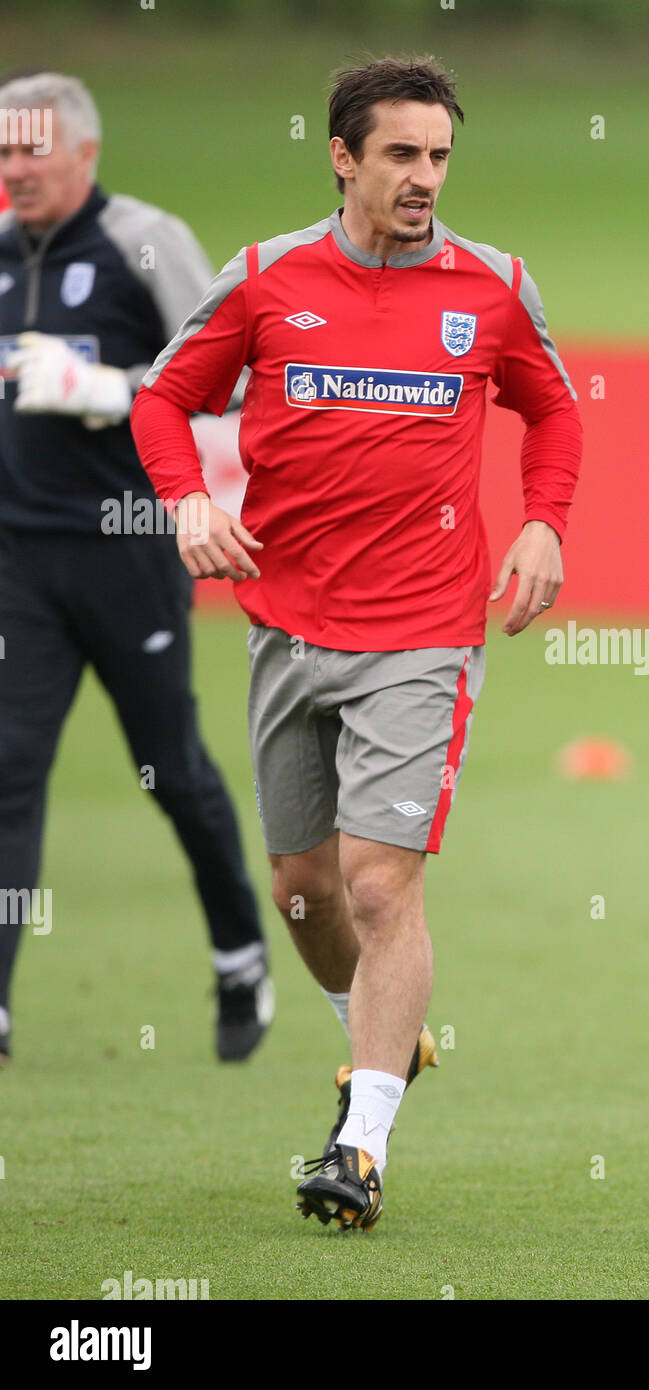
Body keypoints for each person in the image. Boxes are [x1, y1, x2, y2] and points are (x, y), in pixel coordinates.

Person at [130, 55, 583, 1231]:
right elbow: (162, 399)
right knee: (303, 893)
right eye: (401, 154)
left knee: (382, 887)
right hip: (287, 622)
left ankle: (360, 1143)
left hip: (424, 633)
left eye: (439, 156)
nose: (425, 177)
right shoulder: (267, 280)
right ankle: (378, 1038)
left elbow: (554, 408)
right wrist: (186, 499)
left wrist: (543, 522)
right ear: (342, 155)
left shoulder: (491, 288)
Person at [0, 71, 273, 1065]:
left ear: (85, 152)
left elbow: (233, 387)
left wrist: (101, 387)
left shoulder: (145, 242)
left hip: (127, 551)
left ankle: (240, 949)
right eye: (2, 152)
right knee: (10, 769)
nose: (14, 169)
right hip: (19, 562)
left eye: (32, 149)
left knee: (173, 773)